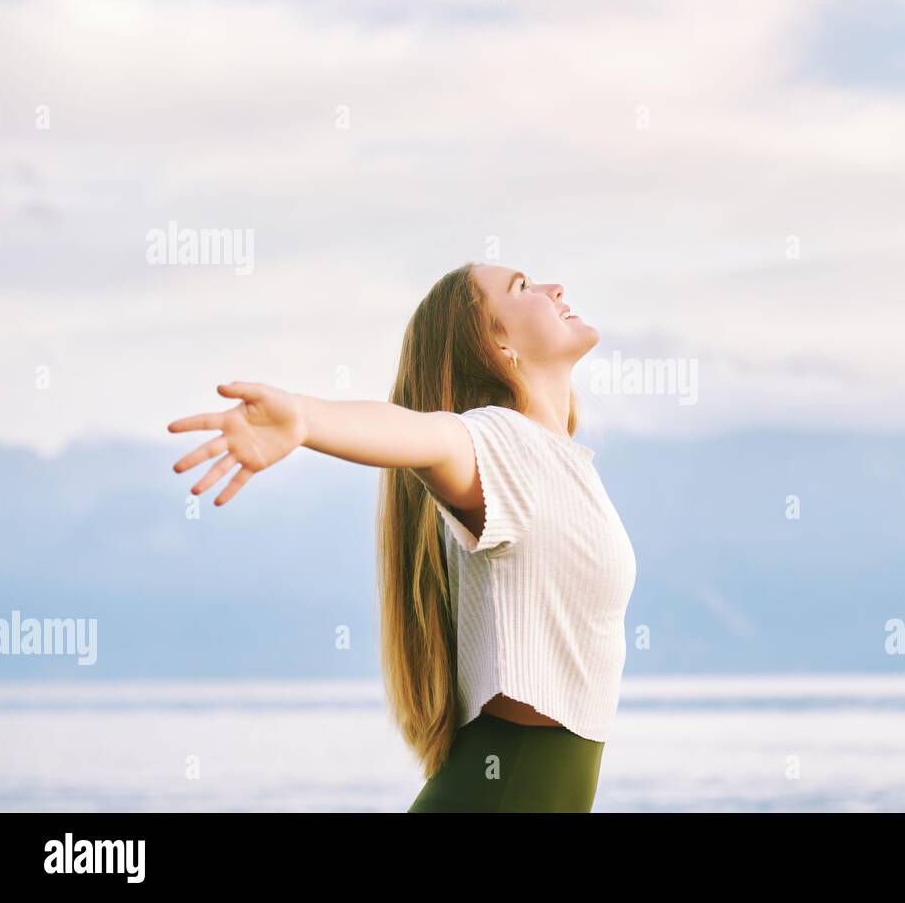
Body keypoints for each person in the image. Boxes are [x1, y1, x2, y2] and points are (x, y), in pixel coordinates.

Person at [167, 262, 637, 812]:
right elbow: (425, 435)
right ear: (497, 344)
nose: (555, 288)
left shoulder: (561, 462)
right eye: (523, 288)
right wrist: (305, 418)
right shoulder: (506, 445)